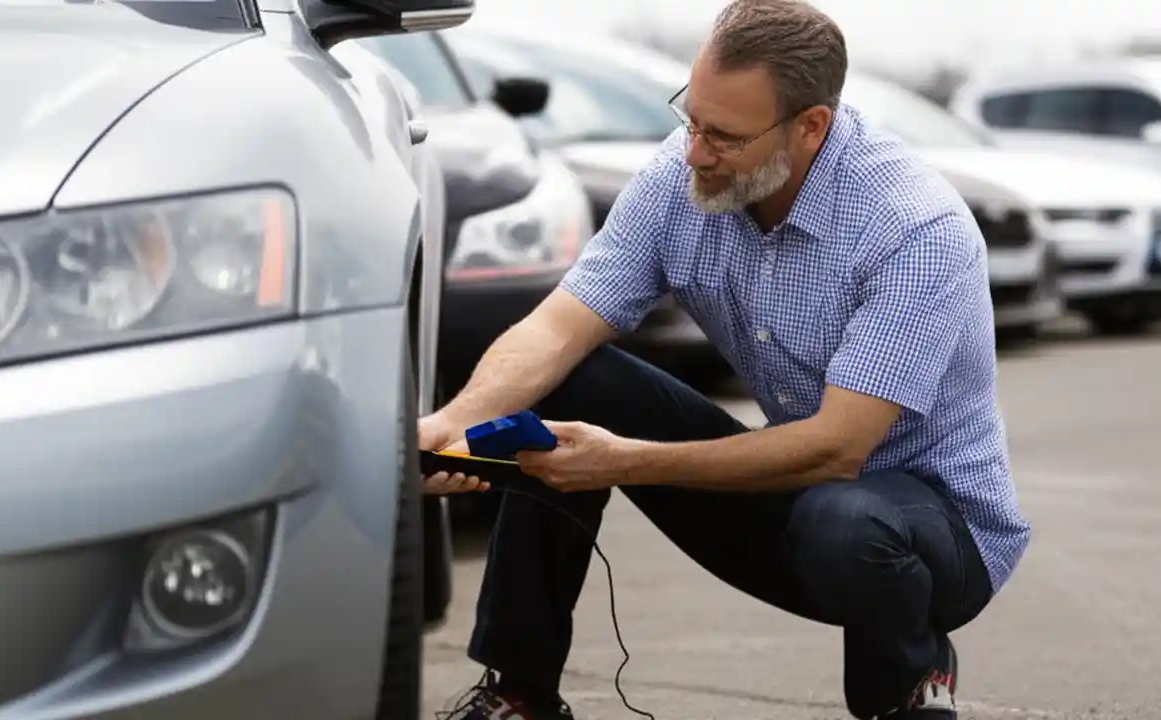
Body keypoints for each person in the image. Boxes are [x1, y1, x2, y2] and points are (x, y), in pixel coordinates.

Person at [418, 1, 1032, 718]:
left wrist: (619, 461)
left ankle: (907, 691)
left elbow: (838, 448)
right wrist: (454, 424)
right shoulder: (681, 177)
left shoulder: (913, 228)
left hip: (935, 532)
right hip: (798, 497)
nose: (696, 152)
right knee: (574, 380)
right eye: (692, 119)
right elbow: (557, 327)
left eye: (726, 136)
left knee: (847, 521)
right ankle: (519, 696)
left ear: (811, 128)